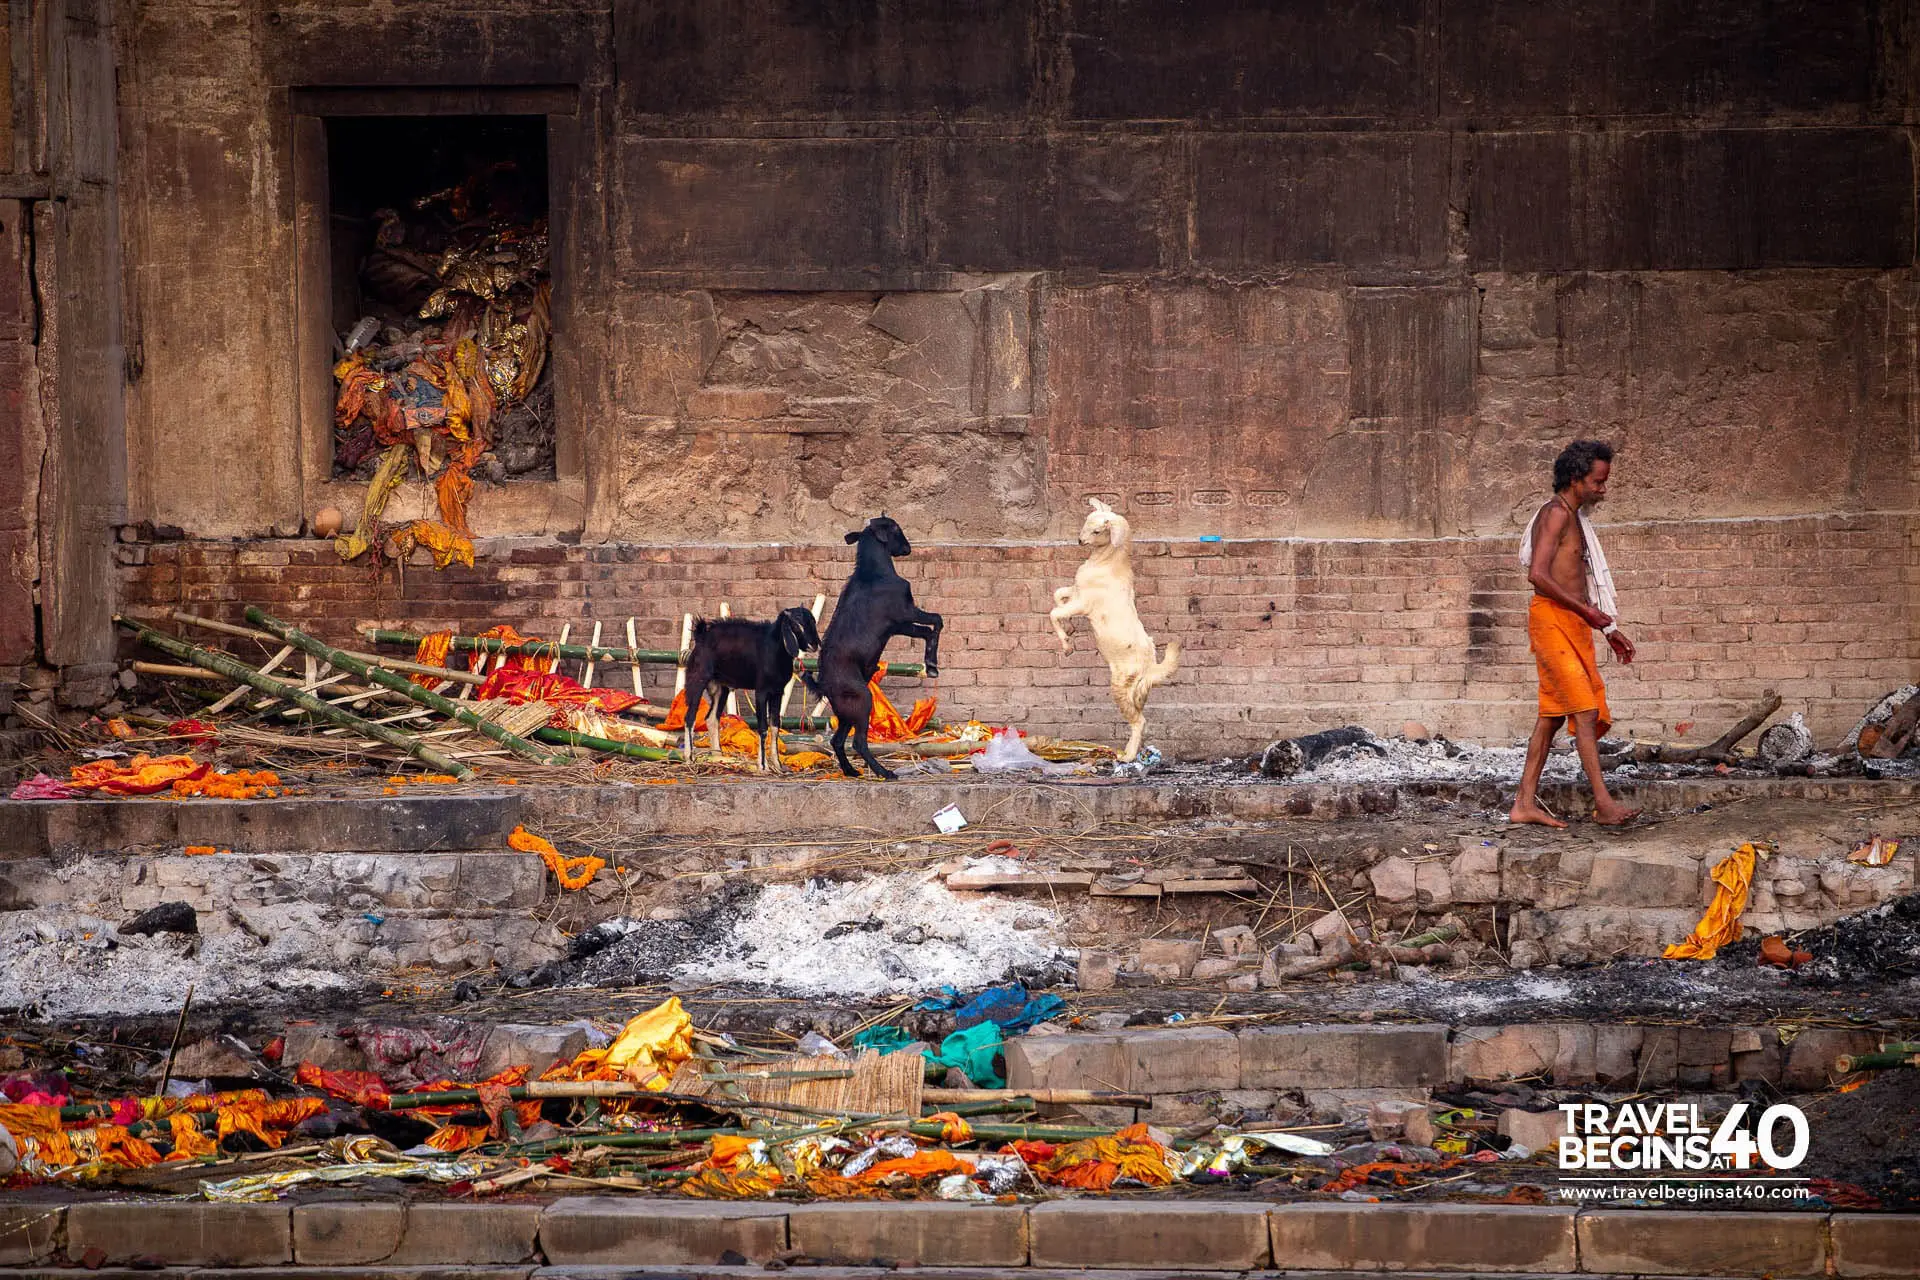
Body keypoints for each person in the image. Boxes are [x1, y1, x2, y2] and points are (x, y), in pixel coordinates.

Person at [1509, 440, 1640, 828]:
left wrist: (1607, 628)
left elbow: (1582, 585)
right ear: (1575, 478)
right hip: (1552, 621)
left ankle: (1523, 804)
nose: (1603, 489)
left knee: (1551, 717)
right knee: (1584, 710)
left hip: (1573, 624)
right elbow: (1538, 575)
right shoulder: (1554, 514)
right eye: (1598, 482)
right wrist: (1589, 613)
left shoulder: (1575, 517)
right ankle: (1603, 804)